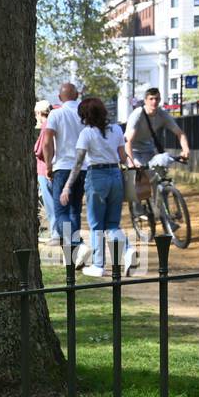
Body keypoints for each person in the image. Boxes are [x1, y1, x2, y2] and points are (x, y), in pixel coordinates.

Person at [60, 98, 129, 279]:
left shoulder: (87, 133)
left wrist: (67, 186)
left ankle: (98, 264)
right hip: (115, 175)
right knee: (113, 223)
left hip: (96, 176)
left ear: (85, 115)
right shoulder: (116, 129)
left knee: (96, 224)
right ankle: (128, 252)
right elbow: (123, 157)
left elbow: (78, 163)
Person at [125, 87, 190, 205]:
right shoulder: (138, 114)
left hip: (148, 150)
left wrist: (185, 150)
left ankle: (162, 212)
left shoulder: (162, 114)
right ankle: (138, 210)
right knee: (138, 180)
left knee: (159, 176)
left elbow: (180, 133)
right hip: (132, 151)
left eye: (157, 99)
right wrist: (131, 163)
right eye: (151, 99)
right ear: (145, 100)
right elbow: (128, 141)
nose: (154, 102)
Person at [42, 82, 84, 251]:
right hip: (82, 167)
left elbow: (47, 142)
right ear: (77, 95)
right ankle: (74, 252)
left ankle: (75, 245)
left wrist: (48, 165)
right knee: (75, 210)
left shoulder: (56, 114)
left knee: (61, 212)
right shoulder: (85, 114)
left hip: (63, 167)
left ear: (60, 98)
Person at [32, 100, 57, 240]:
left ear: (39, 113)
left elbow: (40, 149)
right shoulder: (53, 124)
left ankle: (55, 232)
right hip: (51, 168)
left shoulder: (46, 126)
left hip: (44, 169)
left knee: (50, 204)